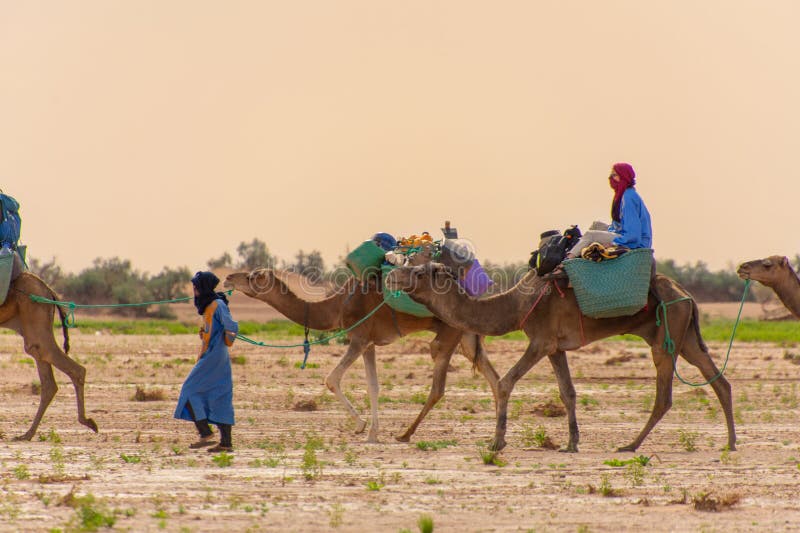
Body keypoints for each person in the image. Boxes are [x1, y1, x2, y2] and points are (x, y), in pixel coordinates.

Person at [174, 271, 239, 452]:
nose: (194, 290)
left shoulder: (217, 305)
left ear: (202, 287)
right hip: (211, 354)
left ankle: (205, 432)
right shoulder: (208, 306)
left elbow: (232, 326)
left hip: (215, 356)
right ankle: (226, 443)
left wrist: (225, 339)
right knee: (219, 394)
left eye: (195, 287)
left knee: (189, 388)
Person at [566, 162, 652, 258]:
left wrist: (615, 243)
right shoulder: (624, 194)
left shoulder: (628, 198)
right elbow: (618, 226)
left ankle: (567, 261)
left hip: (635, 242)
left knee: (590, 235)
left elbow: (633, 234)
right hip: (624, 234)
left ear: (623, 176)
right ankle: (582, 251)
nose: (611, 178)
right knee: (597, 225)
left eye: (614, 175)